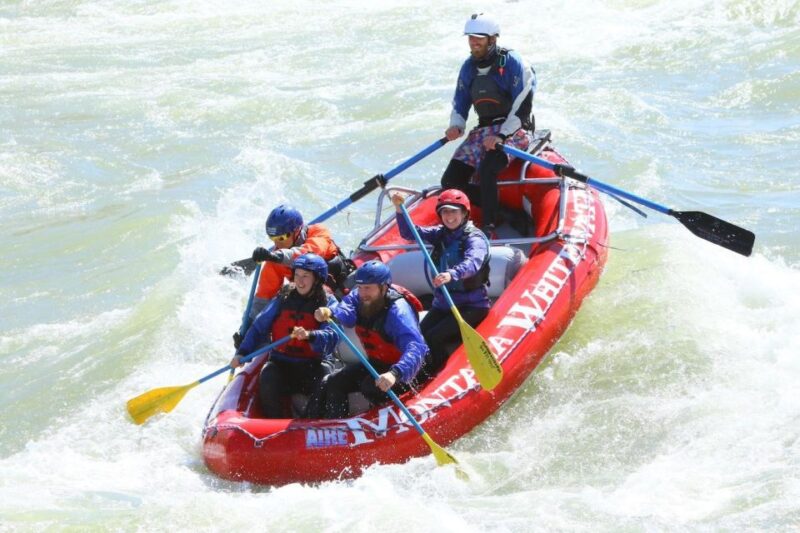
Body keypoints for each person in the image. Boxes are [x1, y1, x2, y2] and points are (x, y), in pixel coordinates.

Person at [440, 13, 537, 236]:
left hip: (514, 129)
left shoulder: (514, 63)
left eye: (479, 38)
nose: (474, 42)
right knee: (450, 181)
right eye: (471, 37)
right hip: (483, 130)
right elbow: (460, 101)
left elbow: (523, 106)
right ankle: (508, 213)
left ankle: (488, 225)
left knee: (487, 170)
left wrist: (502, 135)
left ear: (492, 39)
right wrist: (457, 124)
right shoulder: (468, 67)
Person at [392, 189, 491, 378]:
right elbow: (409, 232)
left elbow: (473, 262)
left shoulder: (475, 239)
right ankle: (417, 371)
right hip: (444, 303)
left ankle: (437, 375)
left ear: (464, 213)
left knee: (433, 337)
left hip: (472, 306)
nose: (449, 216)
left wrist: (452, 274)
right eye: (445, 212)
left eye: (454, 211)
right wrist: (399, 209)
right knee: (418, 336)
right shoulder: (440, 233)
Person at [313, 261, 428, 418]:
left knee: (371, 386)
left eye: (368, 288)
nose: (362, 293)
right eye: (360, 287)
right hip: (377, 363)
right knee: (334, 382)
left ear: (384, 287)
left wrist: (395, 373)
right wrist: (331, 312)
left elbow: (416, 347)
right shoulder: (359, 296)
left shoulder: (398, 313)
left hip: (406, 369)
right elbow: (346, 314)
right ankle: (338, 426)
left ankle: (390, 421)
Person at [230, 253, 339, 419]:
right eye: (297, 275)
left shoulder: (328, 304)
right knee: (267, 374)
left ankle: (313, 422)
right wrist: (242, 352)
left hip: (313, 365)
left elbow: (332, 337)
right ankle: (274, 425)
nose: (300, 281)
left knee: (326, 377)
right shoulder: (283, 298)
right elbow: (259, 327)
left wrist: (310, 335)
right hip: (282, 363)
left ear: (317, 279)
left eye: (305, 276)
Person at [247, 204, 345, 321]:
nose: (277, 244)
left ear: (297, 230)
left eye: (282, 238)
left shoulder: (319, 231)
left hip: (340, 287)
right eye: (273, 239)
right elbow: (263, 297)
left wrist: (278, 256)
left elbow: (309, 256)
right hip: (308, 295)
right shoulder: (274, 261)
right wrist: (249, 325)